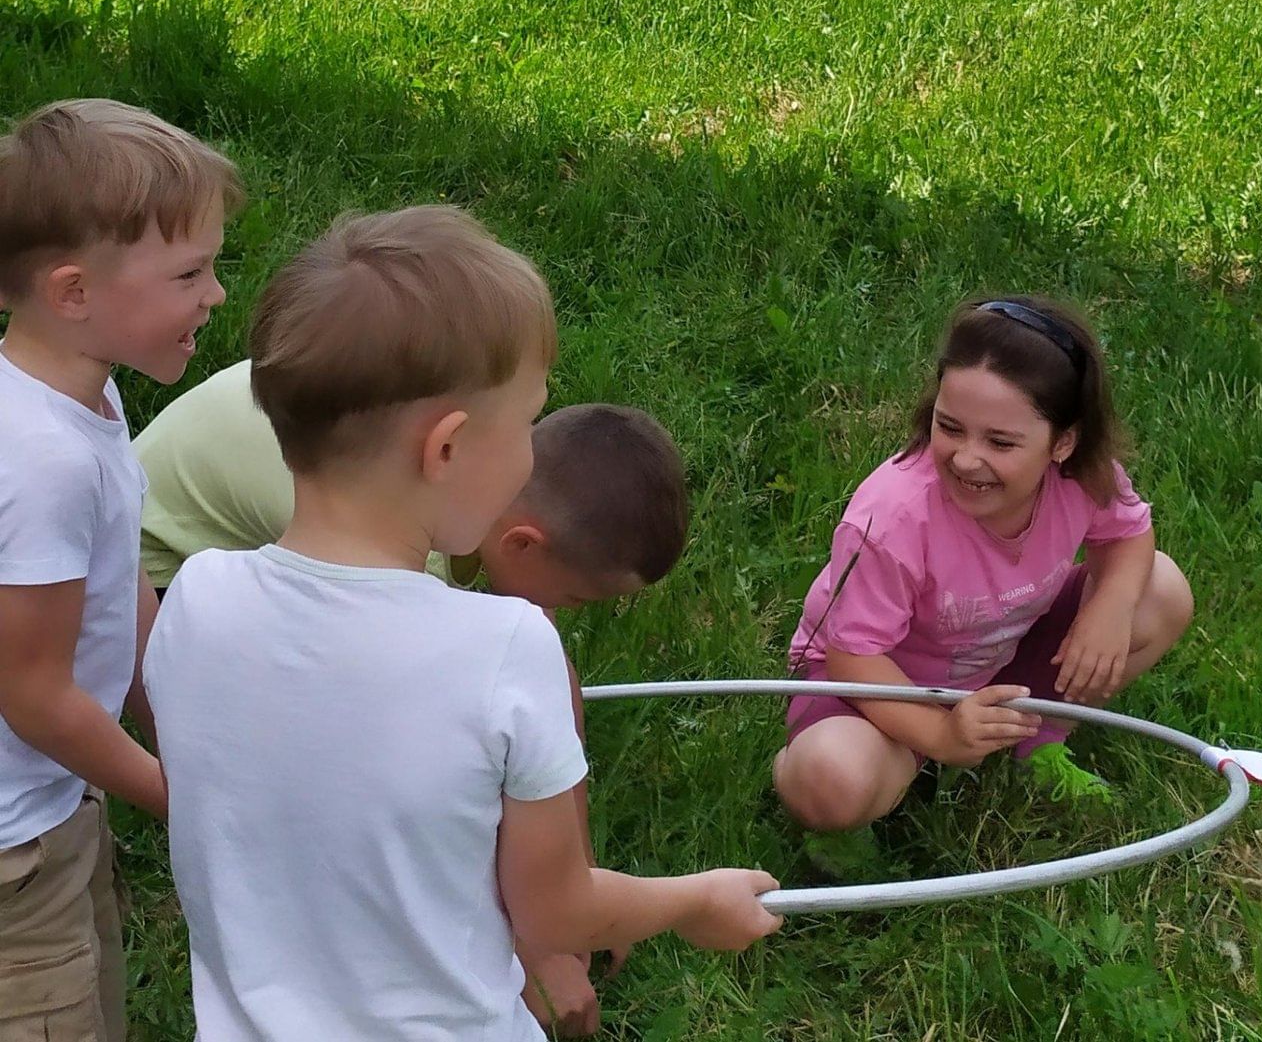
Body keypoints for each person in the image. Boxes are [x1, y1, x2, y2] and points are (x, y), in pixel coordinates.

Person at [143, 206, 779, 1039]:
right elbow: (554, 911)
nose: (530, 455)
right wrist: (695, 901)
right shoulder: (505, 647)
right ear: (445, 449)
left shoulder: (195, 599)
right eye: (526, 424)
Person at [135, 362, 690, 1034]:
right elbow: (414, 712)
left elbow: (539, 675)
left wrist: (579, 876)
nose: (560, 613)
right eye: (573, 597)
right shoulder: (378, 534)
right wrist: (541, 946)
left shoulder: (437, 476)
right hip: (148, 573)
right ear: (523, 542)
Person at [0, 98, 241, 1039]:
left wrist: (180, 727)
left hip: (56, 802)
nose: (216, 294)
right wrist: (177, 794)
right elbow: (32, 693)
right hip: (15, 853)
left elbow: (121, 577)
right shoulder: (43, 461)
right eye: (189, 273)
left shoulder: (85, 394)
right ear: (73, 293)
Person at [774, 295, 1194, 833]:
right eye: (949, 427)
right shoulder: (893, 517)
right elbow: (853, 658)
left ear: (1063, 443)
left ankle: (1035, 740)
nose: (967, 458)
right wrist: (941, 736)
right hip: (874, 688)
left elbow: (1128, 535)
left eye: (1000, 441)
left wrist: (1110, 606)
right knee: (829, 778)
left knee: (1161, 589)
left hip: (995, 663)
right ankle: (877, 777)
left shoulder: (1082, 478)